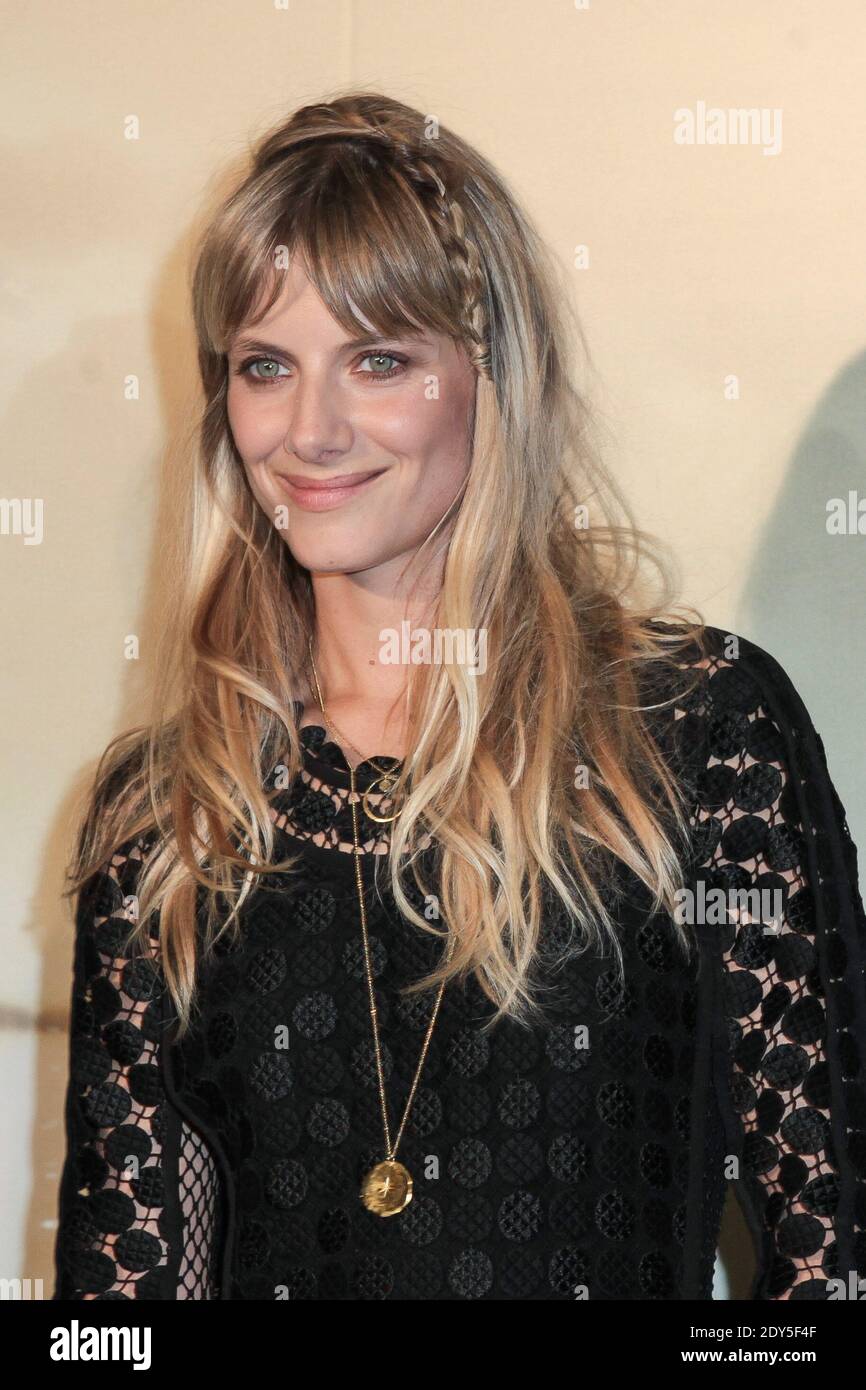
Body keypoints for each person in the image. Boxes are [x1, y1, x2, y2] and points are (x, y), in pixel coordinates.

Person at [52, 91, 866, 1302]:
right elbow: (112, 1320)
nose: (310, 430)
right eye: (265, 366)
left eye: (377, 359)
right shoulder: (167, 813)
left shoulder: (692, 733)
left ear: (491, 378)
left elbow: (830, 1253)